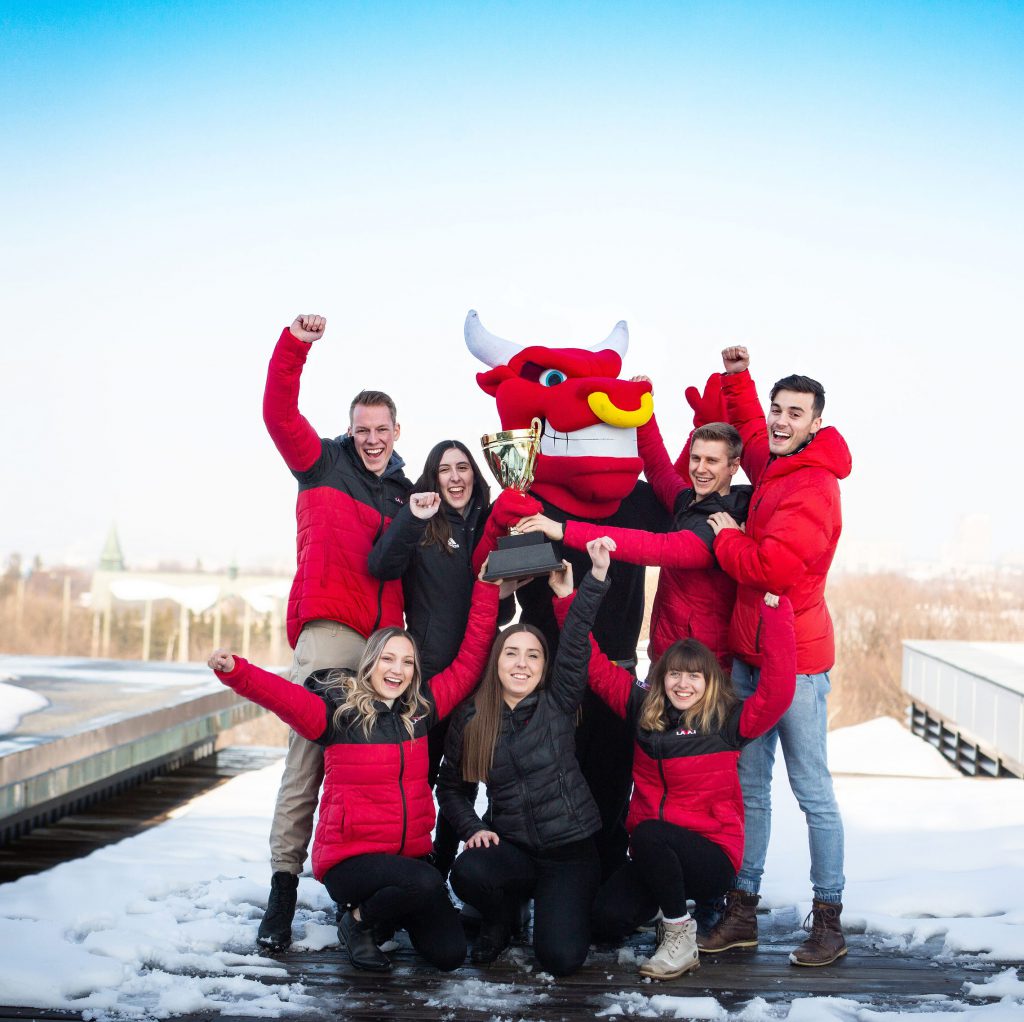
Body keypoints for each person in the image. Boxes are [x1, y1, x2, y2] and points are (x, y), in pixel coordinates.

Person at [206, 568, 502, 972]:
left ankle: (385, 915)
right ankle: (358, 922)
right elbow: (283, 697)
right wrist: (235, 671)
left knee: (448, 956)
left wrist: (486, 590)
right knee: (428, 880)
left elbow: (469, 662)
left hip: (407, 862)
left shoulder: (419, 714)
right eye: (387, 659)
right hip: (351, 863)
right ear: (370, 663)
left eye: (407, 662)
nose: (396, 670)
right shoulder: (338, 715)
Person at [556, 537, 795, 979]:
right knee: (606, 921)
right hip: (655, 854)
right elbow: (591, 662)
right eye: (675, 675)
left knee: (647, 835)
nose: (683, 684)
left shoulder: (727, 722)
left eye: (694, 676)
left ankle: (679, 935)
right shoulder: (643, 708)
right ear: (662, 676)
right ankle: (667, 907)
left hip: (711, 857)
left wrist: (776, 613)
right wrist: (567, 598)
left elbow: (778, 691)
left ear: (709, 682)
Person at [258, 313, 413, 951]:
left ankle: (363, 900)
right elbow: (276, 410)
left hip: (384, 645)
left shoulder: (408, 492)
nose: (372, 440)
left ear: (397, 431)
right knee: (309, 757)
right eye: (362, 430)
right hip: (328, 633)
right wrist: (296, 344)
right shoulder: (320, 463)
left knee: (375, 766)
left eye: (382, 430)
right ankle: (282, 892)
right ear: (350, 430)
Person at [702, 345, 852, 967]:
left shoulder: (813, 486)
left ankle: (829, 918)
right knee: (749, 787)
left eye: (797, 413)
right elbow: (755, 434)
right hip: (749, 652)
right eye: (778, 409)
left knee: (810, 789)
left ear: (817, 422)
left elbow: (775, 568)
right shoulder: (776, 462)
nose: (783, 420)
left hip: (797, 660)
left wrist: (727, 537)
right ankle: (742, 910)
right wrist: (738, 379)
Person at [436, 543, 613, 977]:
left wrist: (588, 583)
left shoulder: (559, 702)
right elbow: (452, 787)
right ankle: (504, 914)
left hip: (570, 852)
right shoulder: (473, 717)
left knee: (560, 959)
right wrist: (474, 828)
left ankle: (555, 906)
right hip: (513, 848)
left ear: (542, 665)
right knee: (469, 872)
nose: (522, 663)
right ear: (497, 661)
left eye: (532, 655)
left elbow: (574, 641)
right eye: (512, 653)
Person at [368, 440, 515, 876]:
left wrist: (507, 587)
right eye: (445, 469)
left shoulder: (492, 525)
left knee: (464, 778)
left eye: (463, 467)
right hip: (430, 673)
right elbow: (381, 564)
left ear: (475, 474)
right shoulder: (421, 527)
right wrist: (413, 517)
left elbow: (502, 609)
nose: (455, 477)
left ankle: (443, 865)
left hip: (481, 673)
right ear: (433, 478)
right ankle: (408, 864)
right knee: (420, 774)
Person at [518, 417, 751, 668]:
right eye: (696, 458)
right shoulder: (690, 502)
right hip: (667, 657)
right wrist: (644, 412)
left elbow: (649, 546)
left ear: (734, 465)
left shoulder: (723, 522)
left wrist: (563, 529)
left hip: (703, 666)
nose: (700, 468)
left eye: (712, 461)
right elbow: (659, 468)